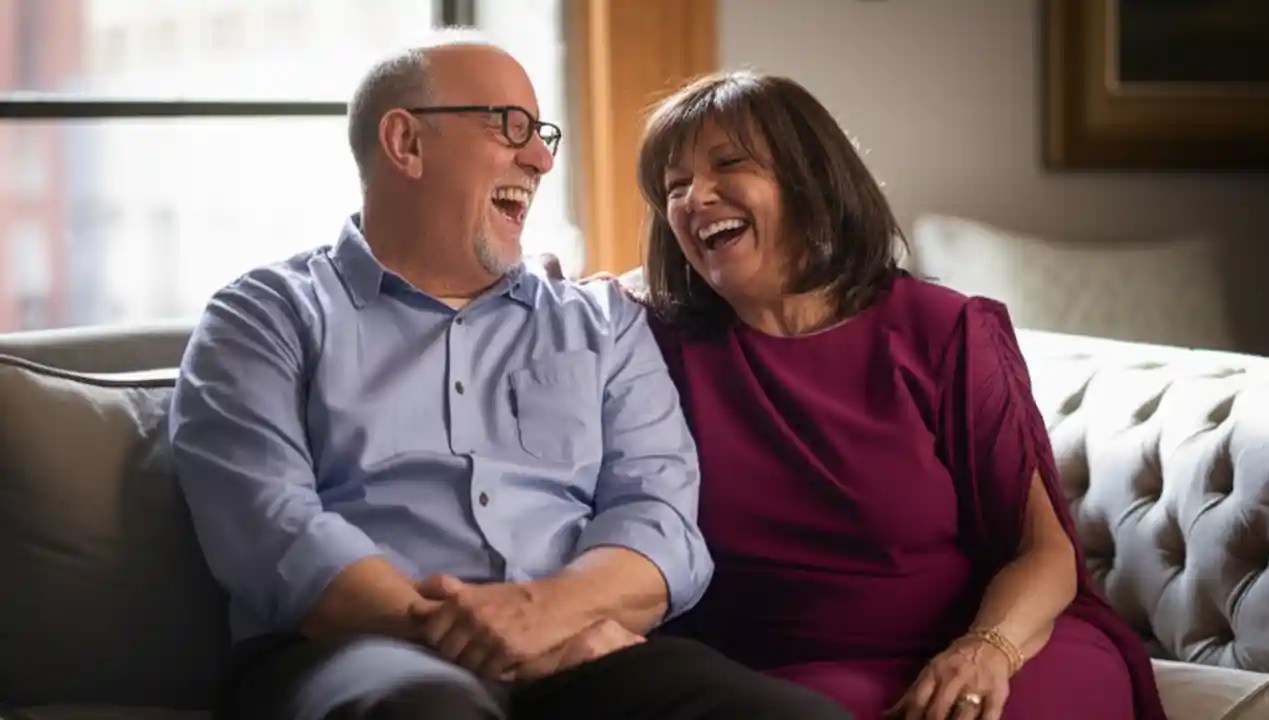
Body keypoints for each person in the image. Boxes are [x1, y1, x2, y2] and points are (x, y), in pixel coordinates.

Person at [168, 41, 851, 720]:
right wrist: (484, 638)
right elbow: (272, 530)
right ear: (406, 142)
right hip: (347, 651)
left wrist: (541, 614)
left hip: (577, 648)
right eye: (511, 127)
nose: (542, 159)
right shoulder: (263, 316)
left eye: (542, 134)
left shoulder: (604, 323)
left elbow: (661, 521)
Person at [627, 70, 1168, 720]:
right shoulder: (652, 350)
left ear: (809, 180)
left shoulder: (946, 331)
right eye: (674, 186)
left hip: (991, 645)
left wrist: (985, 651)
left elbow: (1044, 553)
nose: (695, 197)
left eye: (727, 165)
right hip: (779, 678)